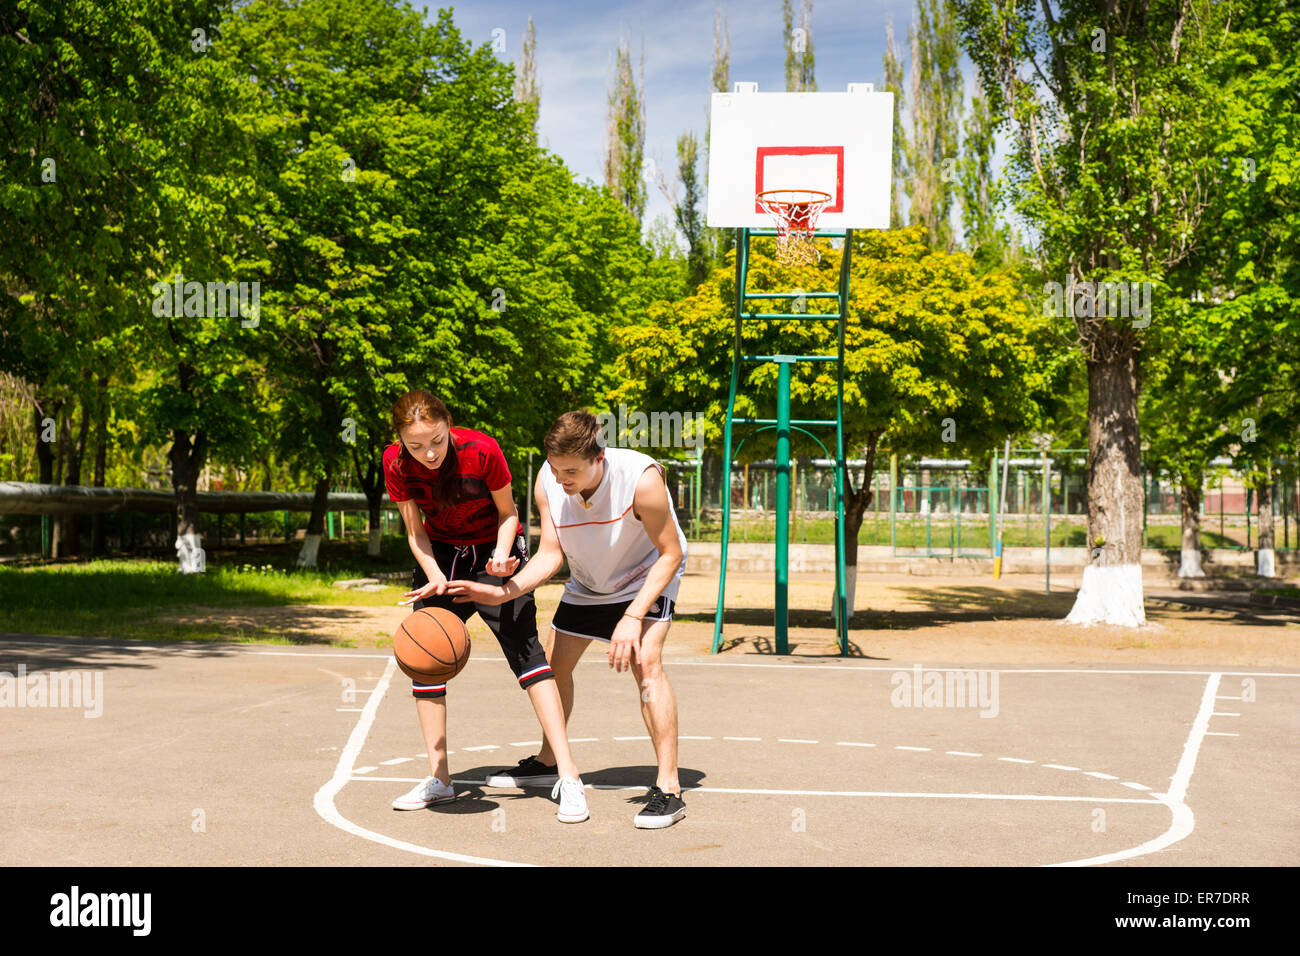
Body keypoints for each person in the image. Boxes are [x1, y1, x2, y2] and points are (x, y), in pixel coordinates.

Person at [448, 410, 688, 829]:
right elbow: (551, 554)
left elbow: (671, 553)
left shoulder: (641, 480)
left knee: (646, 665)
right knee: (552, 670)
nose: (562, 480)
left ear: (600, 456)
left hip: (645, 577)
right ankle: (547, 760)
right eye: (556, 469)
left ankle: (669, 788)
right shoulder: (548, 479)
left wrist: (632, 616)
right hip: (589, 579)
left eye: (571, 471)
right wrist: (503, 590)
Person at [382, 390, 587, 823]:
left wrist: (499, 558)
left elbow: (508, 513)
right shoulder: (395, 463)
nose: (429, 453)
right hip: (440, 556)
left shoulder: (482, 450)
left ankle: (568, 777)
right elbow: (414, 530)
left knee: (531, 660)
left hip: (493, 551)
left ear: (448, 426)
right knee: (425, 660)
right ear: (400, 441)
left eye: (436, 440)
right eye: (416, 446)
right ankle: (440, 779)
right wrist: (433, 574)